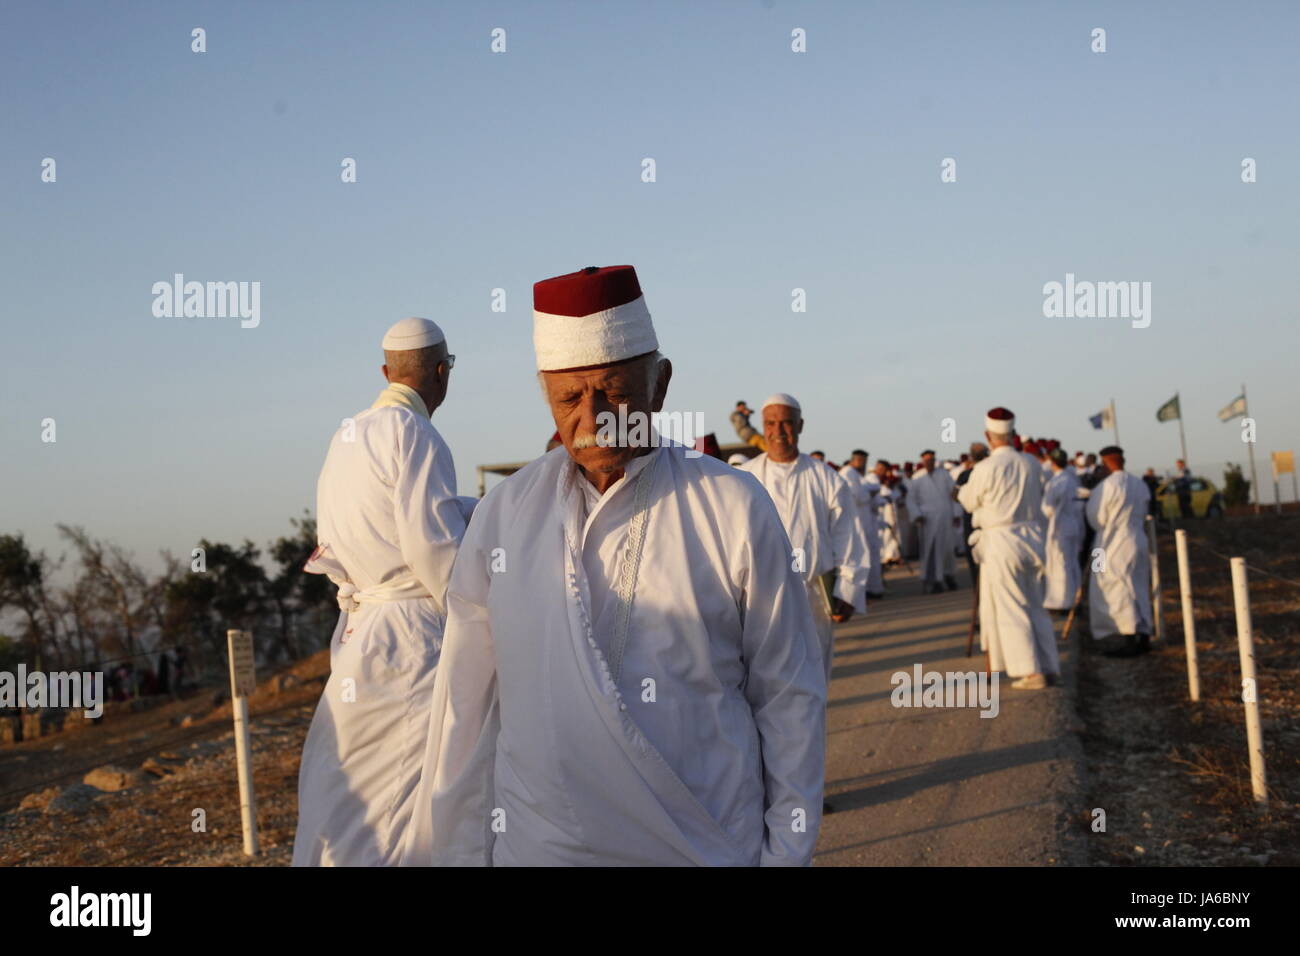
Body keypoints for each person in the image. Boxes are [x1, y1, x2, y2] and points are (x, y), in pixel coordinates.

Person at [401, 265, 825, 867]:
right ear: (545, 392)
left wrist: (787, 851)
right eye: (569, 397)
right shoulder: (504, 515)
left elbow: (788, 692)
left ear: (661, 384)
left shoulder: (732, 504)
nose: (593, 414)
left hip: (702, 838)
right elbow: (466, 710)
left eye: (614, 390)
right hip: (545, 846)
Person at [293, 317, 469, 867]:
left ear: (385, 372)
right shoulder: (415, 434)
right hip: (412, 637)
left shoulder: (345, 435)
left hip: (360, 632)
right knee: (403, 792)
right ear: (442, 373)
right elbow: (434, 548)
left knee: (348, 783)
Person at [740, 395, 868, 682]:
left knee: (812, 684)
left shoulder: (826, 477)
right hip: (760, 602)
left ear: (800, 426)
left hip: (814, 600)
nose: (778, 431)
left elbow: (847, 537)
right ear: (763, 427)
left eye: (786, 423)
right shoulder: (744, 478)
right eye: (771, 424)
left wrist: (847, 590)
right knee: (761, 686)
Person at [957, 408, 1059, 689]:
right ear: (1012, 434)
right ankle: (1049, 665)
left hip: (1003, 541)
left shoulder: (985, 468)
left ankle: (1030, 671)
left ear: (988, 436)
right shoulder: (1032, 464)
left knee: (1012, 607)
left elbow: (968, 501)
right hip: (1033, 537)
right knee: (1035, 604)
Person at [1087, 446, 1153, 657]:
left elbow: (1096, 518)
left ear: (1106, 463)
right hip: (1137, 539)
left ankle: (1129, 636)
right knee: (1139, 586)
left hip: (1112, 543)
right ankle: (1143, 634)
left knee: (1119, 588)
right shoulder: (1139, 484)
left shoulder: (1106, 487)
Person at [910, 450, 959, 593]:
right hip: (928, 519)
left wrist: (956, 512)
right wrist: (917, 514)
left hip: (945, 516)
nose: (929, 462)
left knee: (948, 549)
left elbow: (954, 493)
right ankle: (933, 580)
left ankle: (948, 576)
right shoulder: (917, 478)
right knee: (930, 550)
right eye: (926, 460)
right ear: (922, 461)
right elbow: (911, 500)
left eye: (931, 460)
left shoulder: (944, 475)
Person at [1042, 449, 1084, 612]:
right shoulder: (1073, 480)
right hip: (1073, 525)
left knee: (1060, 565)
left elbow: (1047, 508)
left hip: (1059, 528)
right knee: (1072, 564)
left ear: (1053, 462)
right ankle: (1075, 597)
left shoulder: (1055, 482)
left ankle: (1063, 602)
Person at [840, 449, 885, 598]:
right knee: (859, 557)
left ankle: (872, 589)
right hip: (855, 523)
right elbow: (855, 496)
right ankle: (860, 592)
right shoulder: (848, 473)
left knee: (870, 555)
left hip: (866, 522)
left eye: (864, 461)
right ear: (854, 459)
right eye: (860, 460)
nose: (862, 464)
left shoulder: (859, 476)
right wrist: (868, 494)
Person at [955, 442, 988, 588]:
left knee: (973, 555)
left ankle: (977, 585)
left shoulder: (966, 474)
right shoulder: (990, 471)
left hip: (974, 518)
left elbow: (955, 495)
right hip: (984, 518)